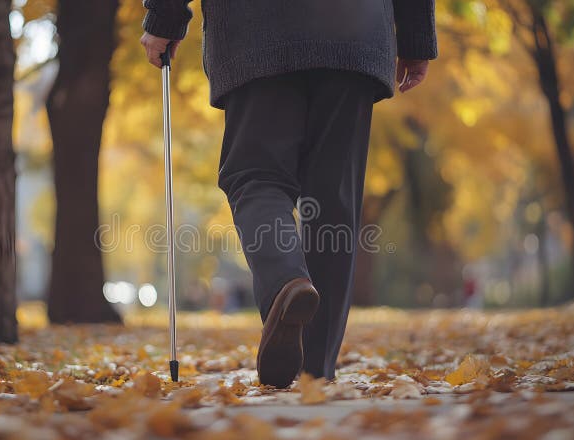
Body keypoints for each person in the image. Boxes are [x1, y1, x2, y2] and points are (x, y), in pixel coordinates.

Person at [140, 0, 437, 388]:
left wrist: (165, 17)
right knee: (335, 201)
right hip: (357, 29)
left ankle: (284, 280)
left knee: (256, 176)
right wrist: (415, 36)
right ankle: (313, 371)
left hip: (258, 28)